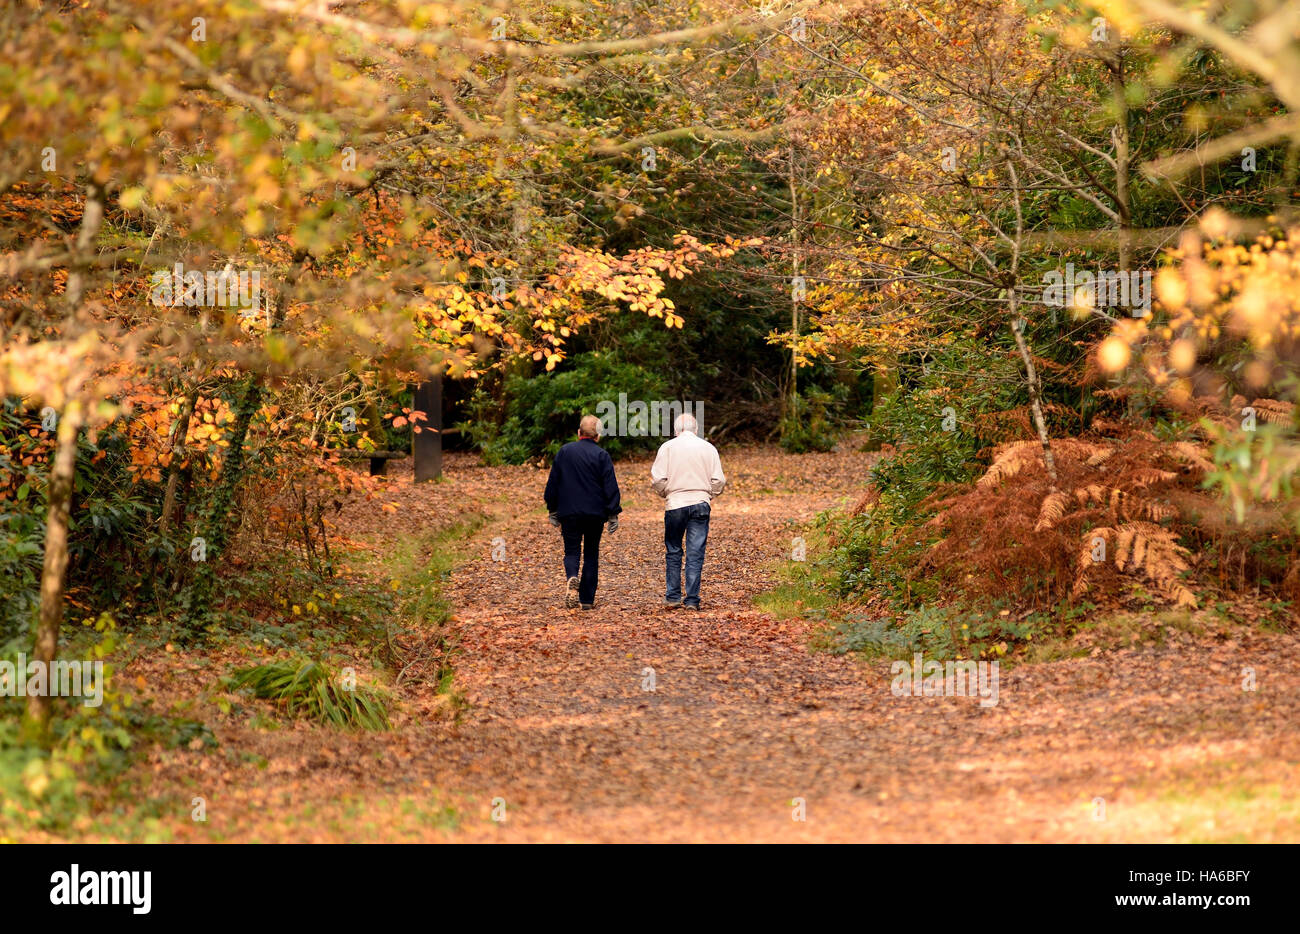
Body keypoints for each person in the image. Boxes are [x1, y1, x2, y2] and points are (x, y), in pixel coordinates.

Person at [543, 414, 621, 610]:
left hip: (569, 512)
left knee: (571, 550)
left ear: (579, 433)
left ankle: (571, 577)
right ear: (598, 436)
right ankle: (586, 600)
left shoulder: (564, 452)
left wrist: (552, 508)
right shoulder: (602, 455)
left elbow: (553, 483)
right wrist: (613, 513)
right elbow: (610, 486)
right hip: (595, 513)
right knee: (591, 553)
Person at [650, 413, 725, 610]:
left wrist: (667, 493)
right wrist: (708, 495)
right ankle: (692, 599)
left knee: (673, 549)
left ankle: (673, 596)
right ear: (696, 430)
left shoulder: (667, 448)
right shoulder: (708, 448)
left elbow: (658, 480)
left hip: (675, 504)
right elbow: (719, 481)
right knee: (695, 553)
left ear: (676, 431)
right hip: (700, 503)